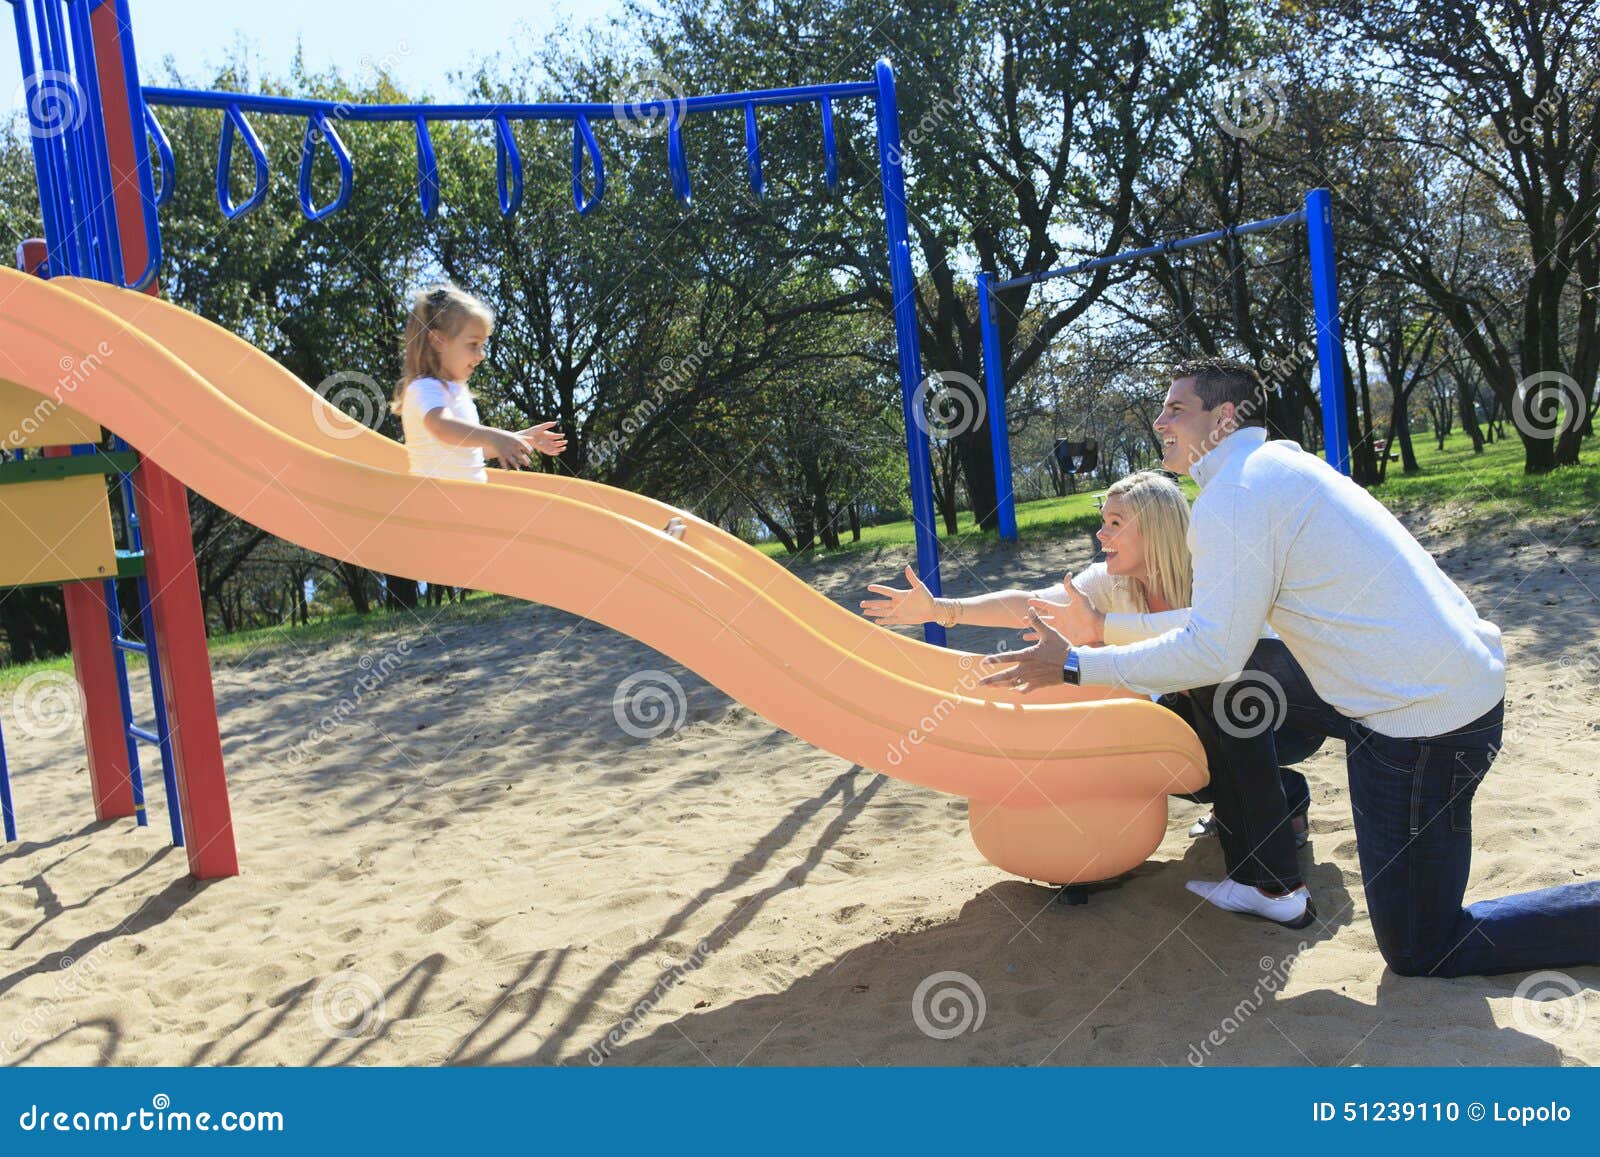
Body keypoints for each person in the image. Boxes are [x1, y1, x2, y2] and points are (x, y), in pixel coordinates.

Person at [984, 356, 1600, 976]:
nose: (1159, 419)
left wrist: (1075, 667)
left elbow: (1212, 647)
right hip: (1436, 681)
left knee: (1422, 948)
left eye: (1177, 408)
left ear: (1225, 418)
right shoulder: (1278, 466)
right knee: (1221, 685)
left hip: (1422, 723)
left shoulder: (1236, 497)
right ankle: (1267, 878)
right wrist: (1107, 631)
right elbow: (1225, 631)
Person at [862, 471, 1321, 925]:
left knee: (1209, 703)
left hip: (1278, 715)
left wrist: (1103, 630)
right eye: (1102, 521)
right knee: (1166, 752)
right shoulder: (1110, 583)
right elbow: (1033, 603)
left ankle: (1271, 864)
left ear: (1157, 527)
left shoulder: (1211, 572)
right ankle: (1285, 797)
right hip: (1207, 723)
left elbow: (1211, 634)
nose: (1101, 533)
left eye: (1116, 523)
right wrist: (943, 611)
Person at [391, 283, 685, 538]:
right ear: (438, 339)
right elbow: (442, 428)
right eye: (473, 345)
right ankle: (645, 542)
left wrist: (521, 439)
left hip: (468, 506)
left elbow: (468, 449)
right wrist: (497, 437)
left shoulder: (454, 391)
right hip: (444, 510)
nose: (481, 355)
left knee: (563, 511)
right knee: (554, 516)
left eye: (483, 345)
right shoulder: (423, 389)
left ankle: (643, 538)